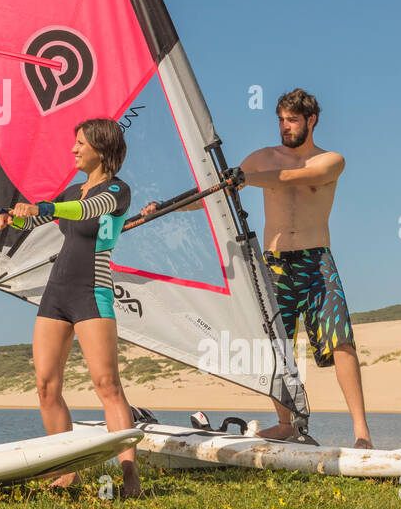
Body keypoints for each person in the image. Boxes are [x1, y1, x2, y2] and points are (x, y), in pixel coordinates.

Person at [144, 88, 371, 448]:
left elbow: (293, 178)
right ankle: (286, 424)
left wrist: (247, 178)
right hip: (275, 264)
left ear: (311, 121)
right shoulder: (262, 157)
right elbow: (216, 189)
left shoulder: (331, 160)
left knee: (341, 342)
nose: (285, 126)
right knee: (276, 347)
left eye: (292, 120)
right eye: (281, 119)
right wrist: (167, 207)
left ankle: (362, 434)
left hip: (317, 262)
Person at [0, 118, 141, 497]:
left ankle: (129, 476)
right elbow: (54, 211)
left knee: (107, 385)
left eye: (80, 143)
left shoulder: (117, 192)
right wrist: (17, 215)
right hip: (56, 293)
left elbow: (82, 211)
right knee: (45, 385)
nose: (73, 149)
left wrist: (48, 206)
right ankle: (66, 471)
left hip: (93, 291)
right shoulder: (74, 190)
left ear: (101, 148)